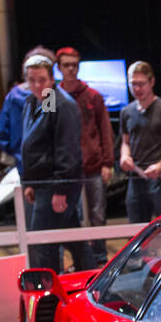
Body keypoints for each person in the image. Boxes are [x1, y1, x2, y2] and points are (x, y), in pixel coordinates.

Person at [19, 48, 84, 272]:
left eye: (42, 80)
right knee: (74, 240)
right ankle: (86, 282)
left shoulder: (61, 103)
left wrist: (60, 189)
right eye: (32, 80)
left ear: (52, 78)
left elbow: (66, 148)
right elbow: (35, 143)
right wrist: (29, 183)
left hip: (56, 184)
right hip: (42, 183)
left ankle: (46, 294)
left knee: (43, 243)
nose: (37, 85)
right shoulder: (36, 101)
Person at [56, 47, 114, 268]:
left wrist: (108, 162)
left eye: (74, 64)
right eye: (66, 65)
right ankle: (80, 261)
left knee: (98, 214)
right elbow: (46, 129)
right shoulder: (51, 95)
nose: (70, 69)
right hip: (66, 169)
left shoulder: (93, 95)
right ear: (59, 67)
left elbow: (105, 130)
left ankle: (99, 259)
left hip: (93, 166)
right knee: (71, 217)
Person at [118, 61, 161, 223]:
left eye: (141, 84)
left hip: (160, 177)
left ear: (151, 82)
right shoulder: (126, 111)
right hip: (136, 177)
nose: (137, 89)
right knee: (136, 230)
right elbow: (125, 142)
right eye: (133, 84)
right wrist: (125, 156)